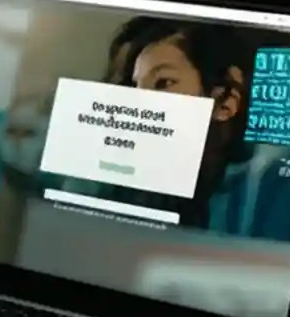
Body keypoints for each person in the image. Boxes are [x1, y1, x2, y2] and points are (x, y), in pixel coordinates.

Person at [108, 20, 256, 228]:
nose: (137, 108)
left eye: (163, 83)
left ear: (225, 102)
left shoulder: (251, 201)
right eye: (135, 89)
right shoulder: (128, 187)